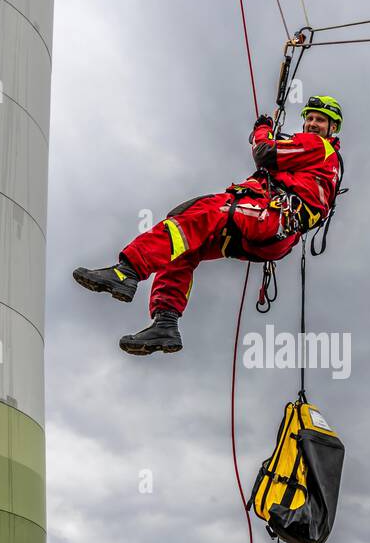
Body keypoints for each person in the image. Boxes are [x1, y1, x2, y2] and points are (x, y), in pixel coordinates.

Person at [72, 95, 344, 355]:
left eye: (320, 120)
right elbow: (275, 159)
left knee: (196, 216)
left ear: (332, 128)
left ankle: (127, 271)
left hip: (270, 220)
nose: (312, 124)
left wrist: (263, 129)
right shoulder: (309, 157)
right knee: (185, 244)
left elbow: (263, 153)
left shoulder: (319, 146)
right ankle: (165, 322)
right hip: (269, 232)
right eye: (310, 119)